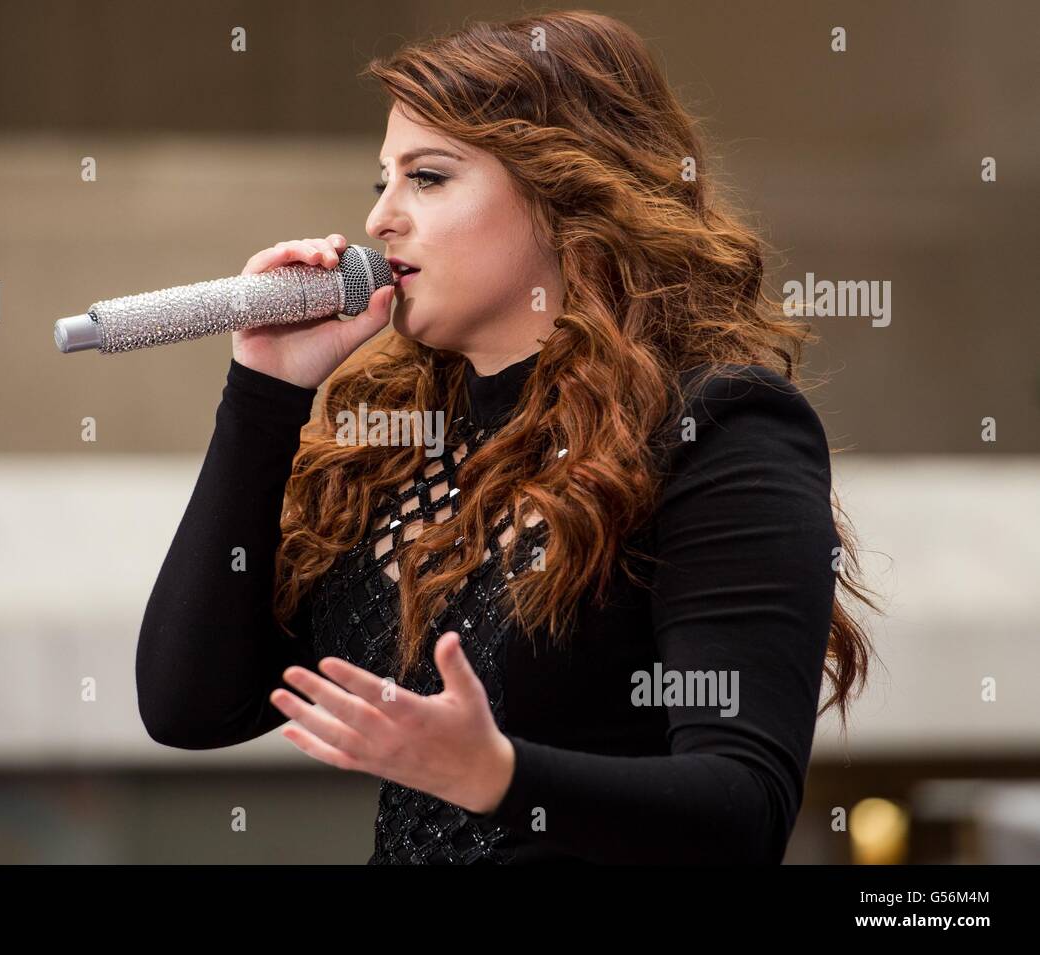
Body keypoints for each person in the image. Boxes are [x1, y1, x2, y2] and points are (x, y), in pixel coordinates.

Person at [135, 10, 879, 864]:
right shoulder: (402, 440)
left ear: (564, 194)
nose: (380, 218)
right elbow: (189, 707)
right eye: (381, 180)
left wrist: (498, 775)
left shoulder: (720, 427)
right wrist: (263, 391)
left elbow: (744, 807)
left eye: (429, 178)